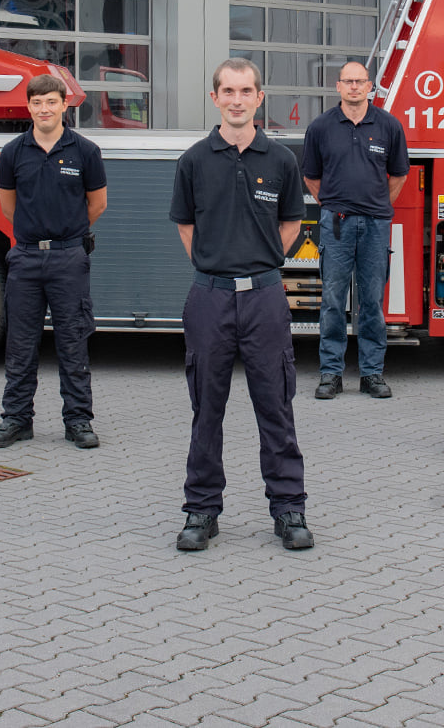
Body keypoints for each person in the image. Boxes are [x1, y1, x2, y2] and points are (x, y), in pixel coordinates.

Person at [168, 58, 312, 552]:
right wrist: (217, 268)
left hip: (266, 299)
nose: (236, 99)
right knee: (206, 407)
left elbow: (291, 225)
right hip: (209, 299)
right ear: (215, 98)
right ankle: (201, 510)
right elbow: (186, 229)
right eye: (227, 91)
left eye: (245, 91)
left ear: (258, 97)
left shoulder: (282, 161)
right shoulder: (193, 160)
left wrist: (259, 263)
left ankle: (289, 507)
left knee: (276, 404)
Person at [0, 74, 107, 450]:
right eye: (37, 103)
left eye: (51, 102)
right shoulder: (13, 152)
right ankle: (17, 419)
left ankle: (78, 421)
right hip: (24, 258)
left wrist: (66, 236)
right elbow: (8, 206)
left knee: (72, 341)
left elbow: (97, 203)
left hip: (69, 258)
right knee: (21, 344)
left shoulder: (85, 151)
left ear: (64, 105)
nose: (44, 109)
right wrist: (35, 234)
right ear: (29, 107)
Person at [302, 60, 410, 400]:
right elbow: (310, 176)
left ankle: (372, 374)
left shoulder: (389, 126)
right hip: (336, 223)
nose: (353, 87)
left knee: (372, 301)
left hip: (376, 224)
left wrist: (378, 206)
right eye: (347, 81)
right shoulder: (321, 127)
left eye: (359, 81)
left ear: (369, 87)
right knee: (333, 300)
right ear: (338, 87)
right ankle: (330, 373)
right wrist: (332, 205)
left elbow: (399, 175)